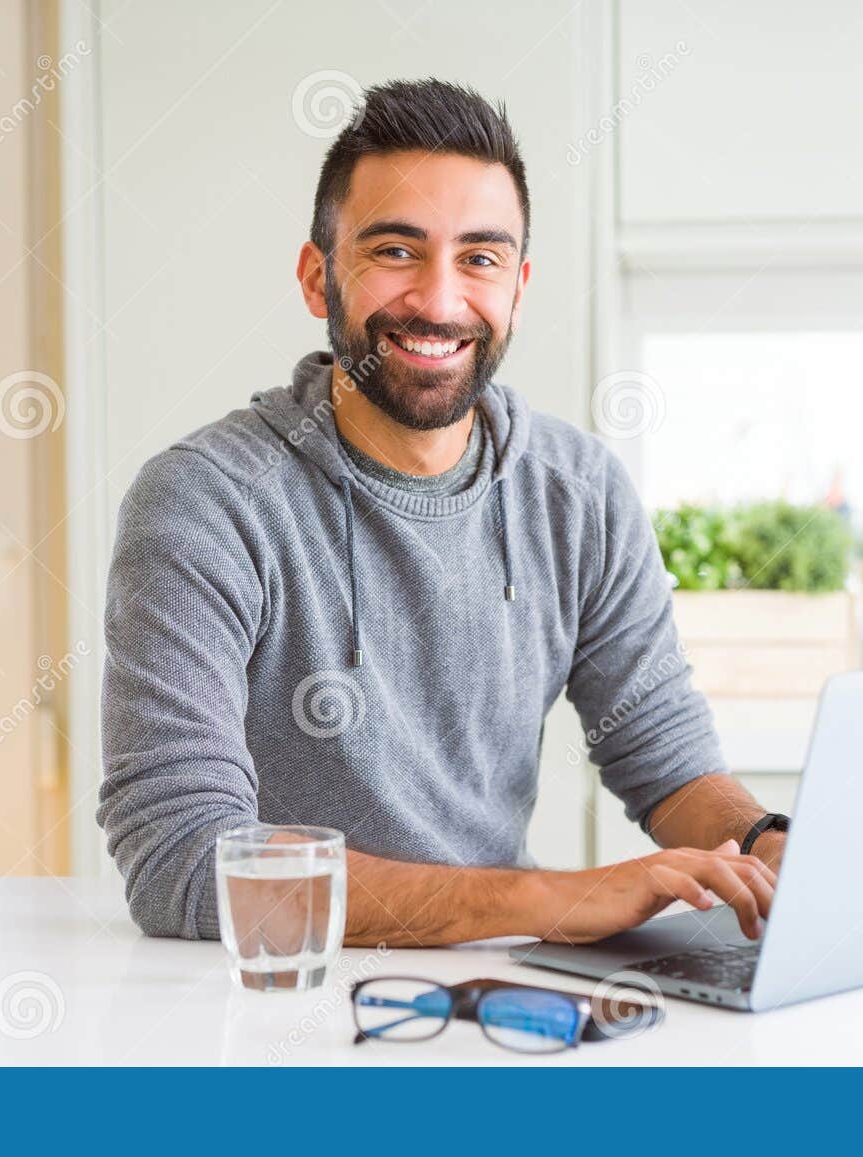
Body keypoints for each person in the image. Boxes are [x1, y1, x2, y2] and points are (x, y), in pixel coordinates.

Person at [99, 79, 783, 948]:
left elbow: (665, 758)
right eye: (395, 250)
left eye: (480, 258)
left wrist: (769, 844)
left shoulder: (579, 492)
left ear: (519, 288)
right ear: (319, 277)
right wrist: (546, 900)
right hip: (276, 1005)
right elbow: (184, 861)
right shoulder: (206, 502)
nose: (440, 299)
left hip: (500, 1003)